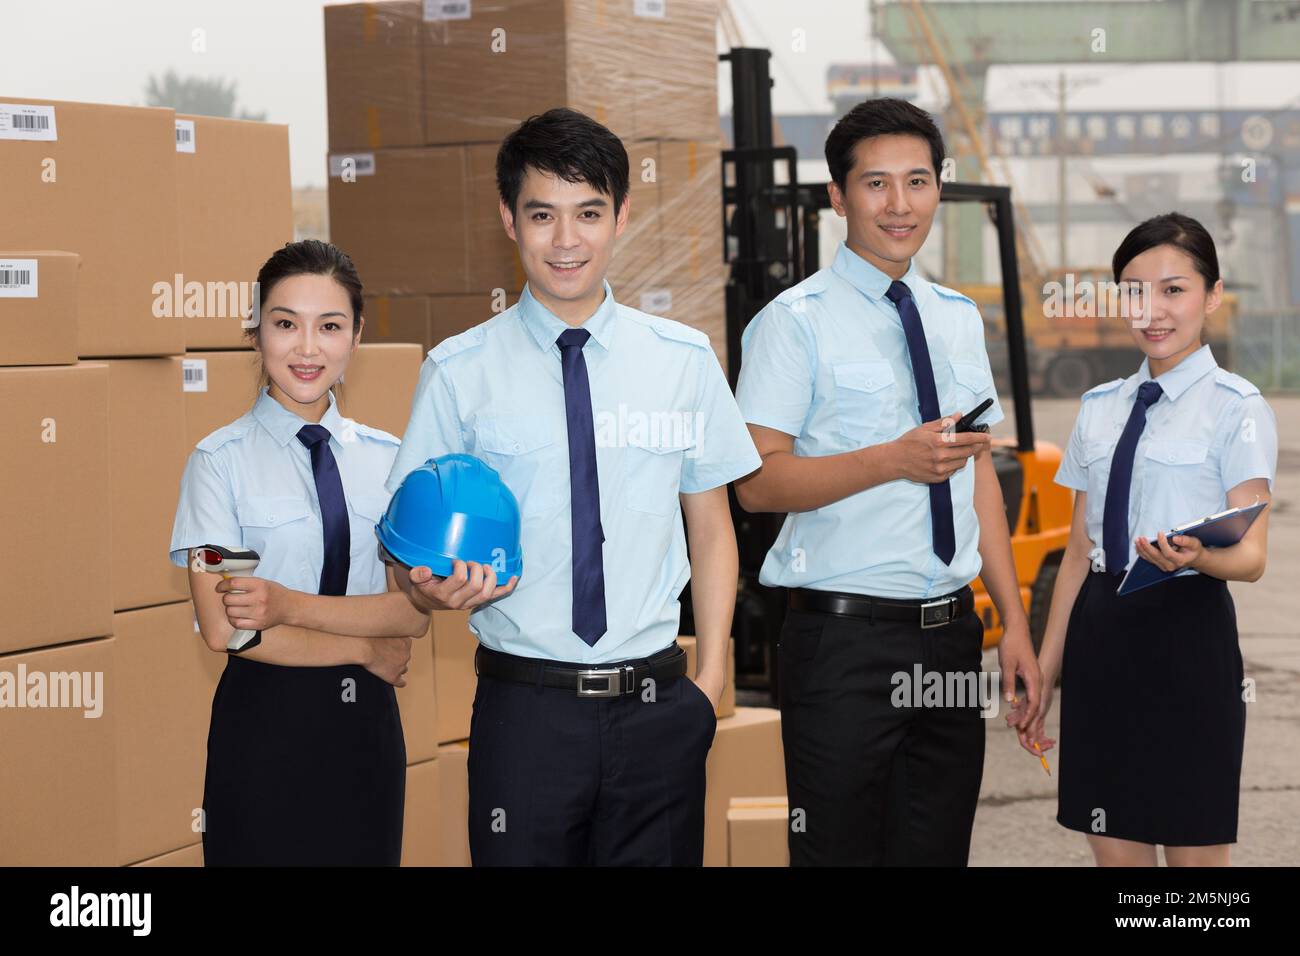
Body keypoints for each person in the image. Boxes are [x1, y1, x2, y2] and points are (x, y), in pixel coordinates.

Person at [386, 107, 761, 866]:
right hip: (525, 714)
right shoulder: (459, 372)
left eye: (588, 213)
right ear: (508, 219)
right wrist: (429, 591)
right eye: (543, 215)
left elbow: (712, 527)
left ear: (621, 215)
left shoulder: (682, 359)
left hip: (660, 708)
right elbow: (407, 555)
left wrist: (713, 677)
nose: (566, 241)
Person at [734, 98, 1041, 866]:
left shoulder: (958, 319)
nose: (899, 204)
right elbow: (756, 485)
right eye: (875, 184)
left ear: (940, 188)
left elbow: (979, 484)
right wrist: (891, 461)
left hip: (951, 641)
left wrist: (1014, 623)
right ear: (837, 197)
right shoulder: (792, 323)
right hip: (844, 645)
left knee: (936, 852)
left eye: (917, 181)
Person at [1020, 212, 1276, 866]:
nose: (1152, 309)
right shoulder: (1100, 405)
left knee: (1192, 869)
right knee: (1120, 861)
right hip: (1101, 638)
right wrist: (1047, 671)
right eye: (1134, 290)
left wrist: (1200, 555)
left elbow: (1251, 557)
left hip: (1188, 635)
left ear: (1211, 295)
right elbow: (1079, 552)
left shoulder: (1236, 407)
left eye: (1173, 289)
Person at [170, 240, 432, 866]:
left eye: (330, 326)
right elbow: (224, 631)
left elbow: (411, 614)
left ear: (356, 336)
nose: (308, 348)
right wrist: (364, 644)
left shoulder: (390, 459)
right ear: (256, 332)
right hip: (263, 727)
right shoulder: (217, 463)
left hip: (367, 729)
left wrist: (282, 606)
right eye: (286, 324)